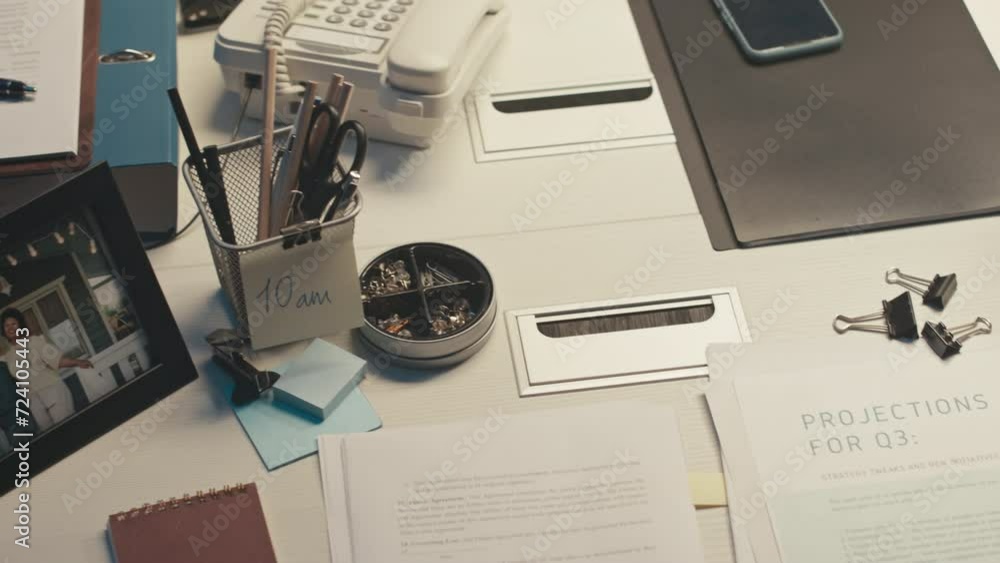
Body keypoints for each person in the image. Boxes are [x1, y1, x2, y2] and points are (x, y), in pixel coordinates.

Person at [2, 308, 92, 431]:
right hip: (33, 401)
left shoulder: (35, 342)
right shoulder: (8, 356)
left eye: (14, 324)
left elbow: (58, 361)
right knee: (52, 437)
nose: (10, 328)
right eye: (6, 325)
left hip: (53, 390)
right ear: (3, 330)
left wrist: (78, 362)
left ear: (20, 325)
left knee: (68, 430)